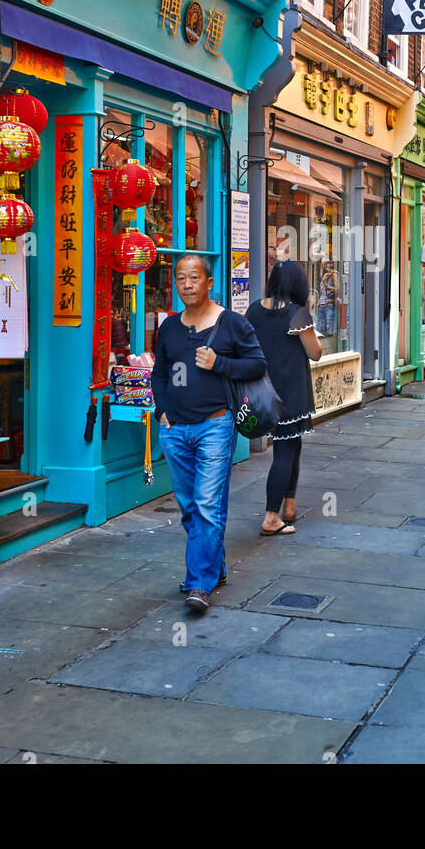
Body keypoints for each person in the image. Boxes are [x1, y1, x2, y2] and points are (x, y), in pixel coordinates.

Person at [151, 254, 267, 613]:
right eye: (181, 279)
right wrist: (162, 410)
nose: (187, 284)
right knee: (189, 508)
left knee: (207, 505)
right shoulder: (169, 328)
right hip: (175, 430)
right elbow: (159, 373)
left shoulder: (231, 323)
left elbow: (258, 364)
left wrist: (219, 363)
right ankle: (214, 568)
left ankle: (198, 584)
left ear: (209, 282)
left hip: (215, 426)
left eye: (194, 278)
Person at [246, 261, 323, 538]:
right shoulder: (297, 314)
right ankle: (271, 516)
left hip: (262, 393)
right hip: (290, 393)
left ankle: (289, 506)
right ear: (298, 285)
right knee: (284, 453)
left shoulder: (254, 309)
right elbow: (315, 353)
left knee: (293, 445)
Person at [316, 259, 339, 337]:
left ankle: (329, 347)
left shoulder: (334, 274)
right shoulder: (325, 275)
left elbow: (338, 289)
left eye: (323, 263)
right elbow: (323, 291)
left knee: (329, 330)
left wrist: (327, 285)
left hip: (330, 305)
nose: (322, 265)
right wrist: (319, 301)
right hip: (322, 305)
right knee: (319, 330)